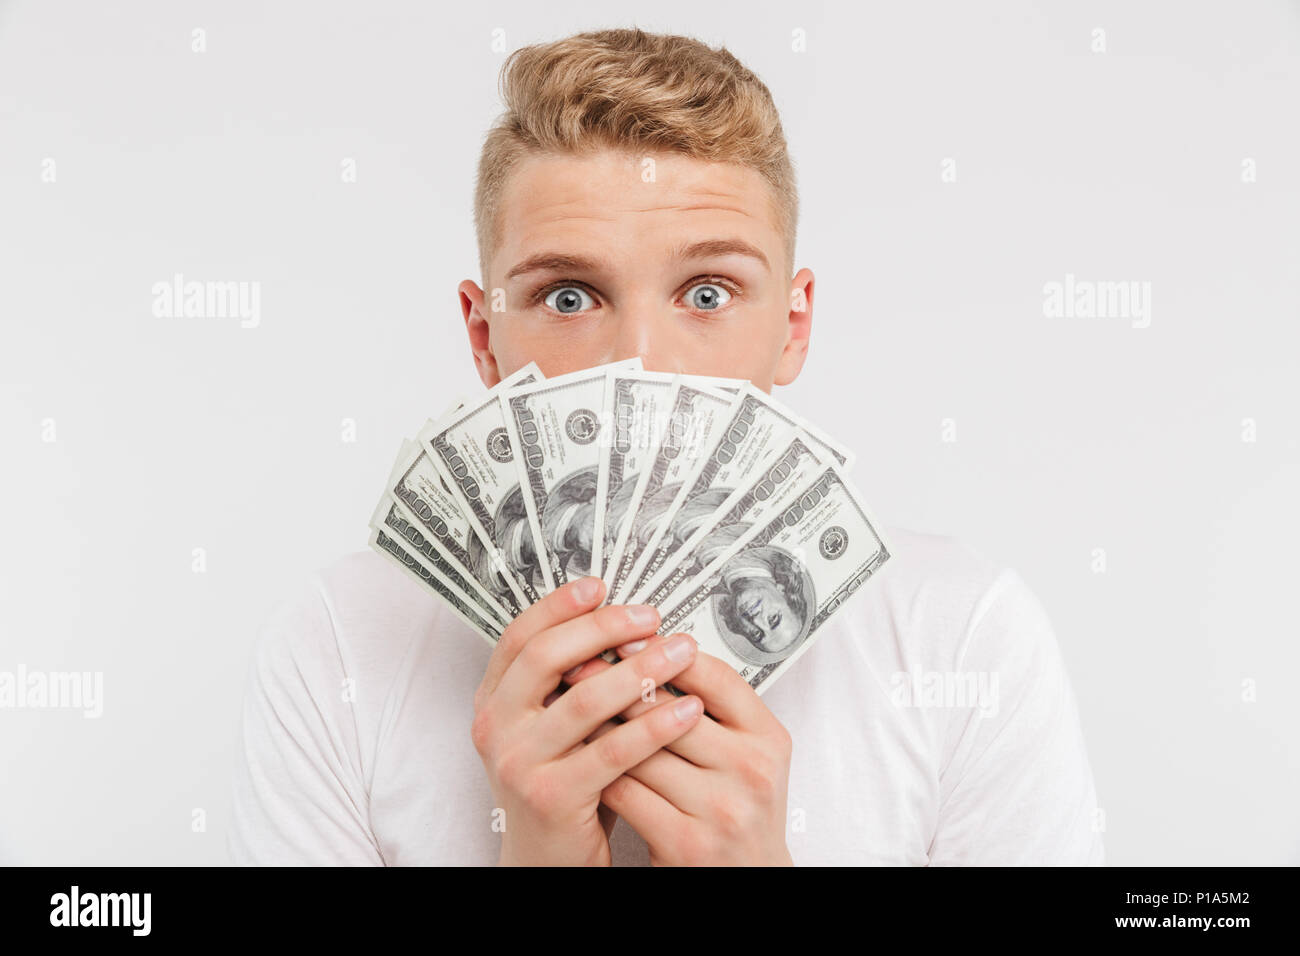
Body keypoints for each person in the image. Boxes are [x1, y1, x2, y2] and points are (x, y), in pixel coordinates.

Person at [228, 27, 1104, 866]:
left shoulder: (964, 639)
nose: (639, 361)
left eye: (709, 292)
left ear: (793, 326)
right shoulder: (336, 648)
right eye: (569, 297)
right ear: (484, 336)